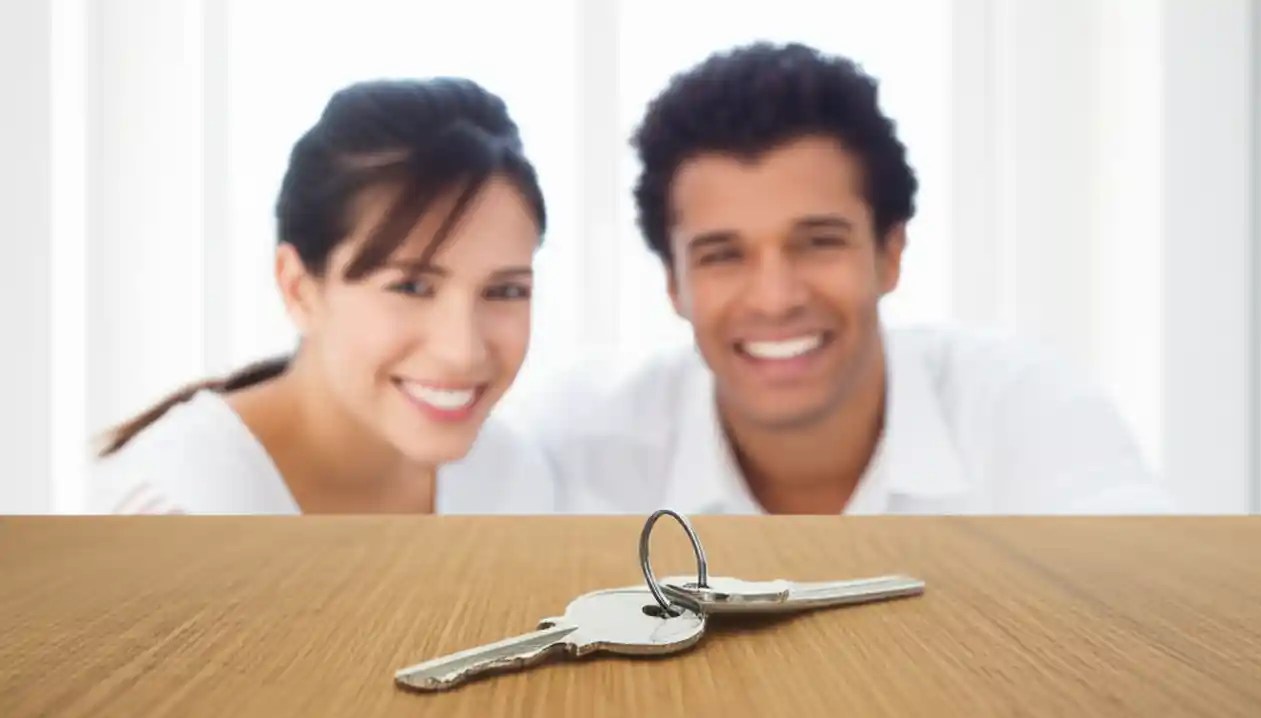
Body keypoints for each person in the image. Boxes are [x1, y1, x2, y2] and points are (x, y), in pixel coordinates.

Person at [508, 42, 1173, 515]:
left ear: (890, 253)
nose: (775, 299)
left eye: (819, 242)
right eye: (722, 256)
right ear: (673, 285)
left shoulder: (1025, 417)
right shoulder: (576, 453)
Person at [91, 77, 554, 514]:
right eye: (411, 287)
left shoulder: (510, 478)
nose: (462, 351)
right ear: (299, 289)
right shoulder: (182, 503)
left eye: (505, 290)